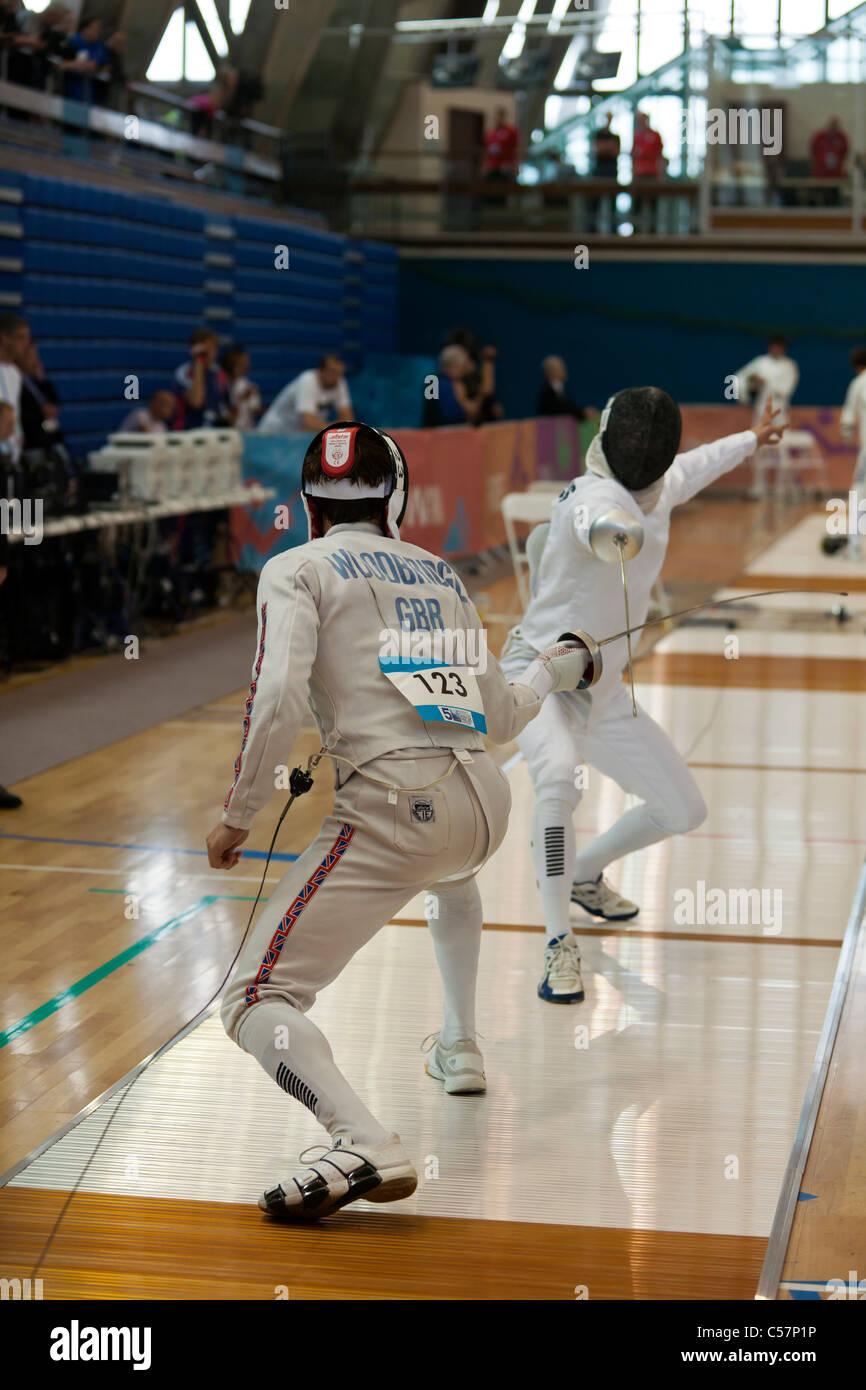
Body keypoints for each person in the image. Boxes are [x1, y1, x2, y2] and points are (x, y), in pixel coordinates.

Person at [206, 421, 589, 1219]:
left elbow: (276, 698)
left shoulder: (295, 568)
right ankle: (460, 1042)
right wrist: (557, 666)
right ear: (395, 499)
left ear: (309, 503)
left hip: (391, 813)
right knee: (451, 876)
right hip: (484, 806)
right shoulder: (439, 573)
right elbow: (497, 714)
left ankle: (363, 1139)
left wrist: (239, 815)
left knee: (253, 995)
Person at [498, 389, 785, 1004]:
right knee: (559, 780)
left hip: (601, 688)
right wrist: (615, 538)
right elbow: (596, 522)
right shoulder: (592, 495)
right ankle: (558, 945)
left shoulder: (661, 487)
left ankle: (582, 873)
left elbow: (699, 465)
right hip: (542, 675)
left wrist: (752, 438)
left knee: (682, 809)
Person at [735, 335, 799, 497]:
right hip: (761, 410)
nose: (776, 349)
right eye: (774, 346)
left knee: (782, 448)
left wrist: (766, 381)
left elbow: (785, 389)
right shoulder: (761, 362)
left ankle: (780, 488)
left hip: (780, 411)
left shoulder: (789, 366)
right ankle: (758, 488)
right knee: (757, 446)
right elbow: (741, 378)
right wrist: (750, 386)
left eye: (779, 347)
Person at [258, 354, 353, 435]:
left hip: (295, 435)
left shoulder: (338, 381)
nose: (336, 377)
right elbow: (309, 423)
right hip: (273, 431)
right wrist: (336, 428)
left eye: (339, 373)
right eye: (332, 372)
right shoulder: (307, 380)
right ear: (320, 371)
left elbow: (348, 418)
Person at [422, 344, 497, 428]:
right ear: (451, 365)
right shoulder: (436, 383)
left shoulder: (457, 383)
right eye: (461, 365)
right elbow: (450, 415)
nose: (463, 369)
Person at [172, 327, 233, 430]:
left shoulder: (219, 373)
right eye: (207, 350)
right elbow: (196, 401)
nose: (212, 353)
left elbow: (228, 408)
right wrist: (199, 362)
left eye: (214, 348)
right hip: (190, 433)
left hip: (214, 434)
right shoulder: (183, 373)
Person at [839, 345, 866, 560]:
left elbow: (848, 417)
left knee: (858, 492)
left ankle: (855, 546)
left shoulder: (858, 383)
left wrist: (846, 433)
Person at [0, 311, 30, 462]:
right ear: (4, 337)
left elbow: (14, 415)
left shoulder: (15, 373)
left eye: (27, 338)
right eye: (20, 337)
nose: (25, 344)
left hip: (12, 458)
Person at [536, 357, 599, 421]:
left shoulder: (560, 389)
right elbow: (561, 411)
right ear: (551, 371)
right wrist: (583, 413)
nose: (564, 370)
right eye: (561, 367)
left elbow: (567, 407)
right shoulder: (546, 393)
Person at [631, 111, 664, 231]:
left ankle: (653, 230)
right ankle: (635, 230)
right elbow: (634, 156)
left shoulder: (655, 135)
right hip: (640, 175)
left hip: (652, 174)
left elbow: (660, 155)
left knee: (653, 204)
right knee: (637, 204)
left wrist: (660, 174)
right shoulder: (637, 136)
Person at [220, 346, 262, 430]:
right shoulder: (221, 383)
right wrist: (239, 399)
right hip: (227, 431)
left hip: (246, 430)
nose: (246, 366)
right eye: (241, 363)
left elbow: (255, 408)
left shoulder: (248, 385)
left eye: (246, 363)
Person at [810, 117, 848, 206]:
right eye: (832, 125)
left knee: (834, 198)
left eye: (835, 125)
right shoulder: (819, 137)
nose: (833, 127)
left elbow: (845, 153)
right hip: (821, 174)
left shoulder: (842, 138)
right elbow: (813, 152)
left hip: (836, 174)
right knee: (821, 196)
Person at [482, 106, 519, 179]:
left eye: (500, 116)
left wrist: (517, 165)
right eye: (497, 116)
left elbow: (516, 149)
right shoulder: (490, 133)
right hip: (493, 166)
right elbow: (486, 150)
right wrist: (485, 165)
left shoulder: (511, 132)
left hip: (506, 166)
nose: (498, 119)